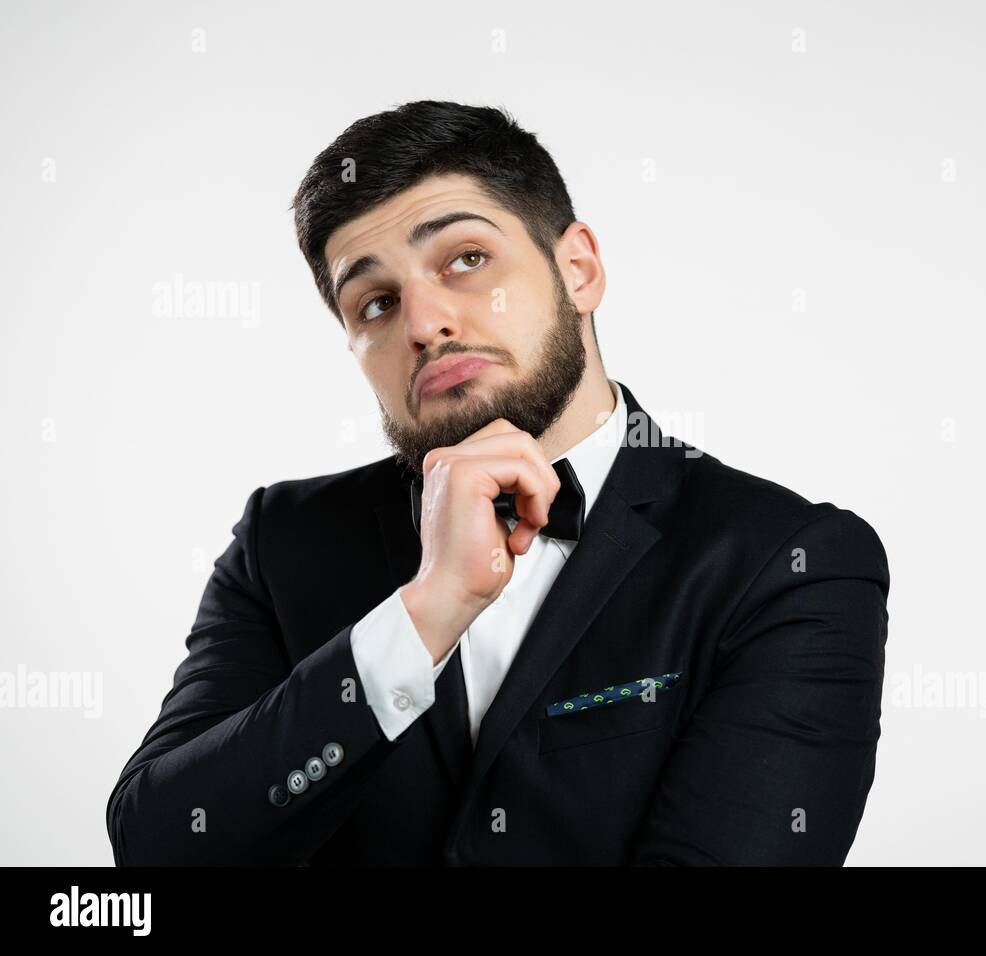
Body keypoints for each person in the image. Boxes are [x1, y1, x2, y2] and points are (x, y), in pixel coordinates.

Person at [106, 100, 891, 866]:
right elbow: (160, 844)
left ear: (577, 269)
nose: (423, 322)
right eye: (375, 302)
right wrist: (424, 614)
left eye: (466, 259)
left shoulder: (792, 563)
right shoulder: (282, 540)